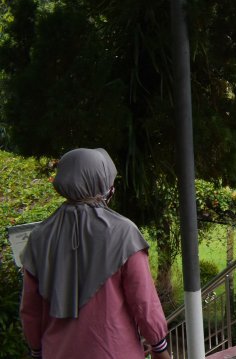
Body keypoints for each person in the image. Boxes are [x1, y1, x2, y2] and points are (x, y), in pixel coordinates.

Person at [20, 148, 170, 359]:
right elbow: (144, 301)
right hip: (115, 351)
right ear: (102, 184)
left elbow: (31, 309)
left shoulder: (39, 236)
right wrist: (159, 347)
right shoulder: (124, 233)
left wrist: (36, 349)